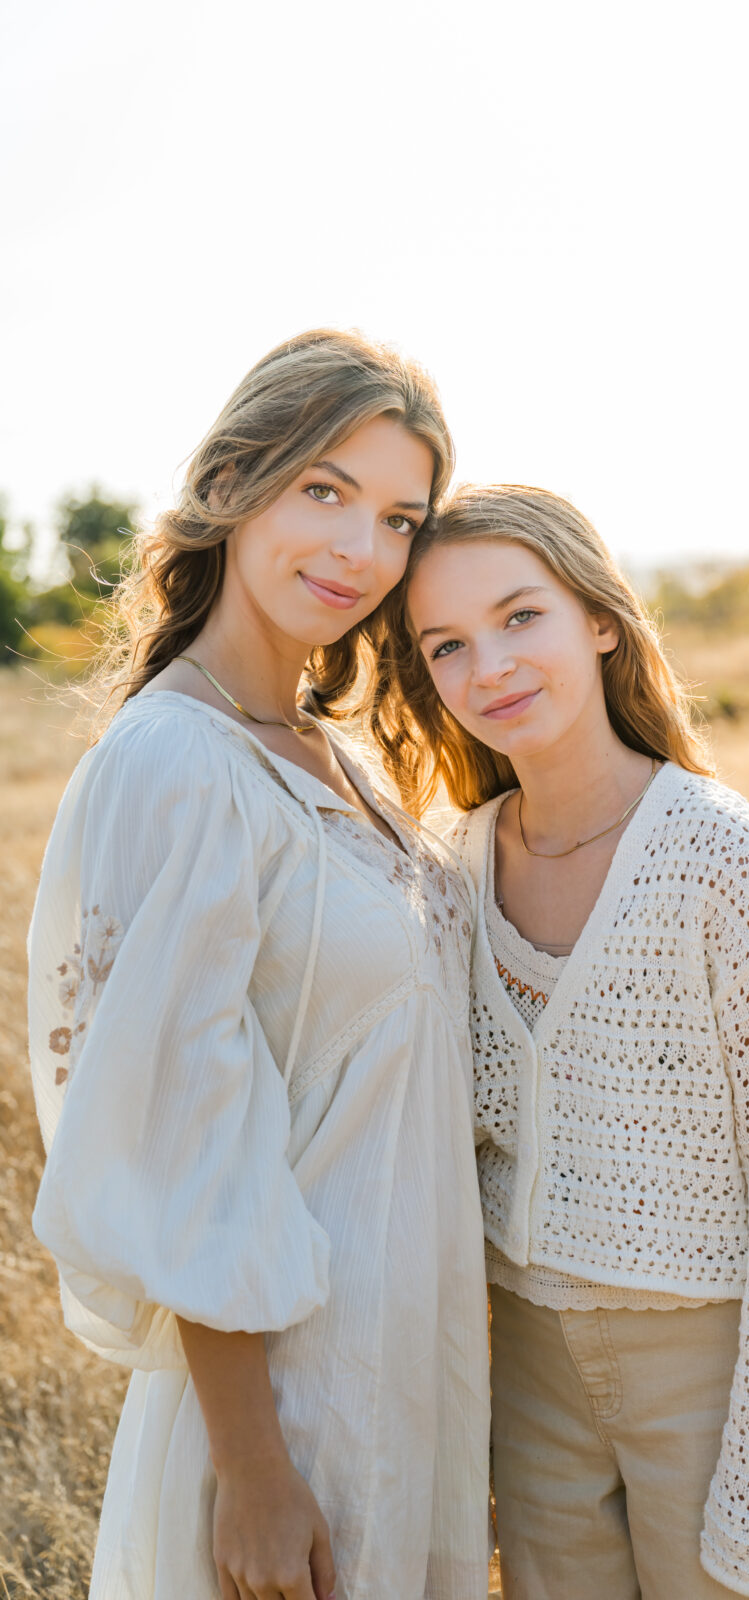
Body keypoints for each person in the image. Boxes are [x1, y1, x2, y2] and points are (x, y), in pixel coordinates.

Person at [27, 330, 491, 1600]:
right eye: (324, 491)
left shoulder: (343, 754)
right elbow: (182, 1135)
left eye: (398, 518)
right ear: (237, 479)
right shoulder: (175, 762)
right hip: (289, 1404)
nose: (359, 550)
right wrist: (254, 1468)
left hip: (410, 1368)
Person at [369, 482, 749, 1600]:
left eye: (519, 616)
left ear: (598, 618)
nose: (488, 666)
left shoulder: (718, 862)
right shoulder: (451, 869)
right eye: (445, 645)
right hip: (526, 1371)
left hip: (703, 1369)